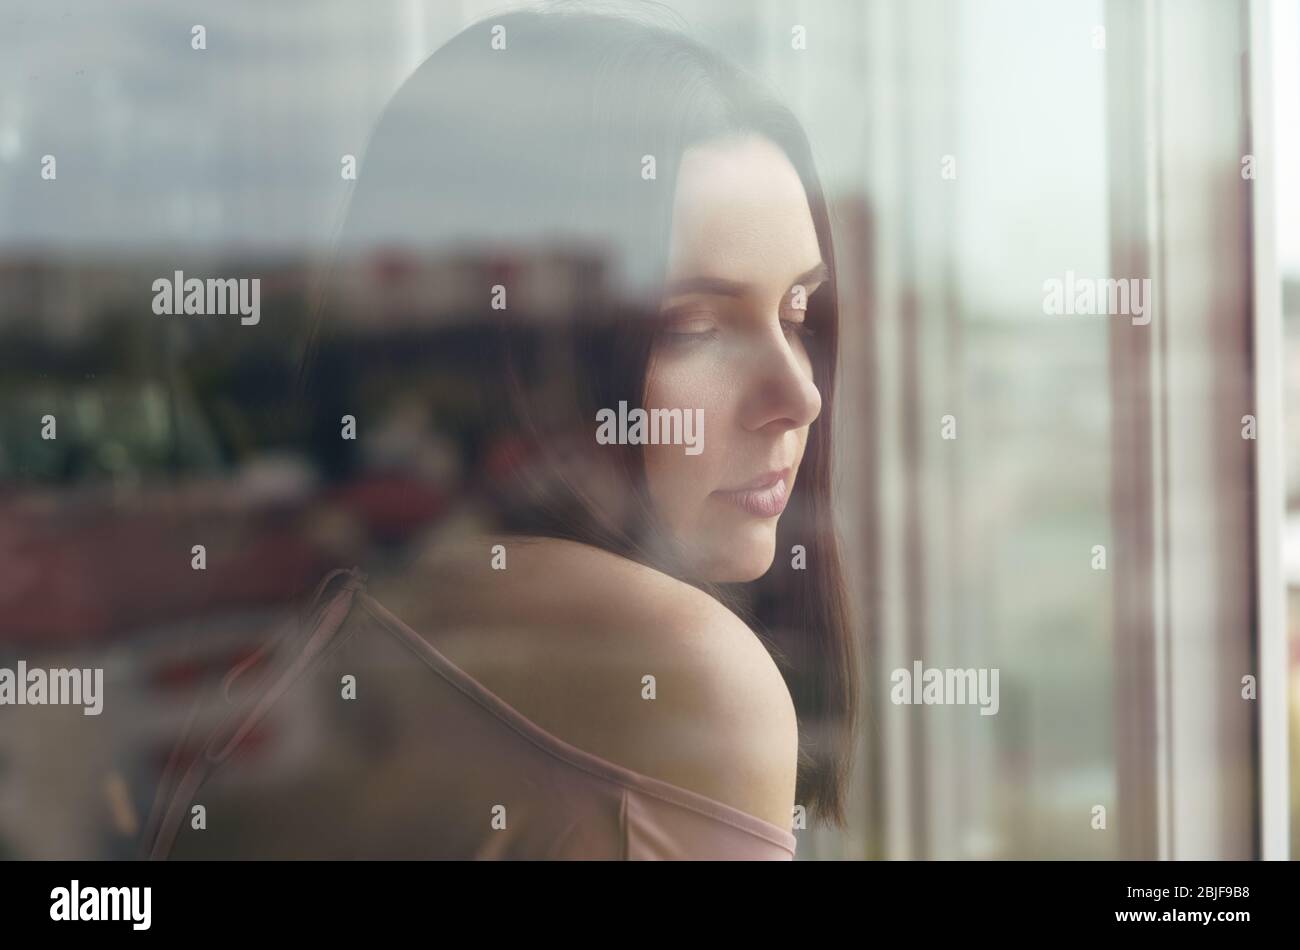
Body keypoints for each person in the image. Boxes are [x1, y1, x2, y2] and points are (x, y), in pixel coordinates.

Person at [149, 3, 858, 860]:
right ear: (516, 350)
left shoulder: (327, 621)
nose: (799, 395)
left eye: (796, 310)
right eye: (690, 326)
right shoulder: (683, 669)